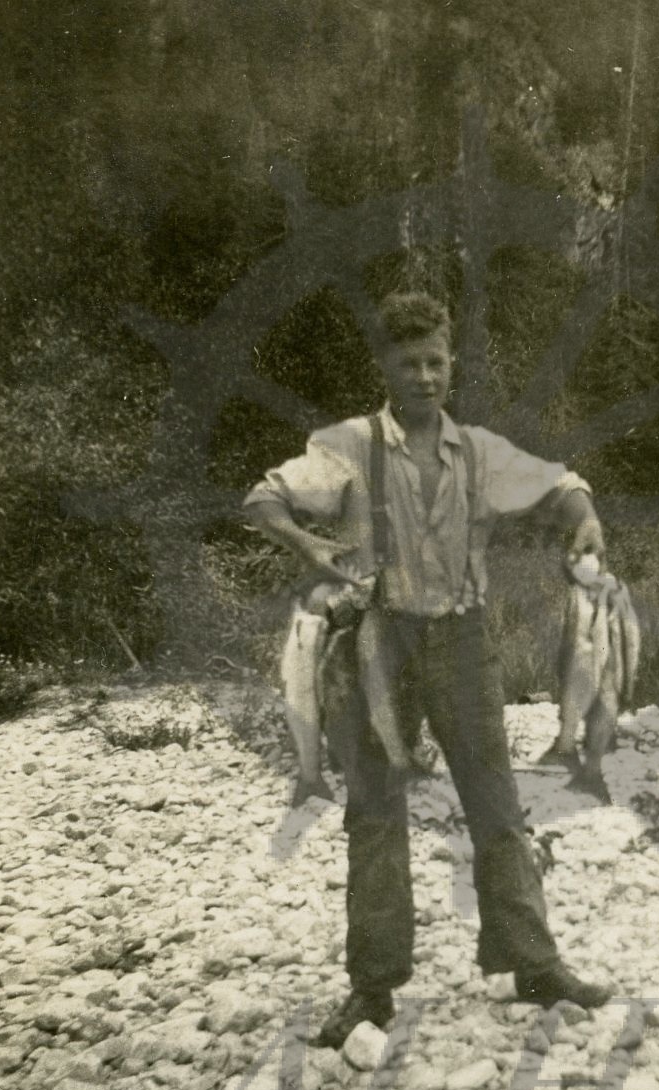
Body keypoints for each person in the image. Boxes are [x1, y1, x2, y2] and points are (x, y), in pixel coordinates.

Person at [243, 291, 612, 1048]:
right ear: (383, 366)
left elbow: (562, 484)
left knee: (497, 804)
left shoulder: (478, 450)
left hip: (465, 643)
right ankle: (372, 988)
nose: (424, 376)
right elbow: (263, 498)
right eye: (407, 363)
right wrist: (308, 547)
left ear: (453, 363)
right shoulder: (346, 448)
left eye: (436, 362)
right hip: (375, 645)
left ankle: (534, 964)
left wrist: (585, 519)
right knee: (375, 811)